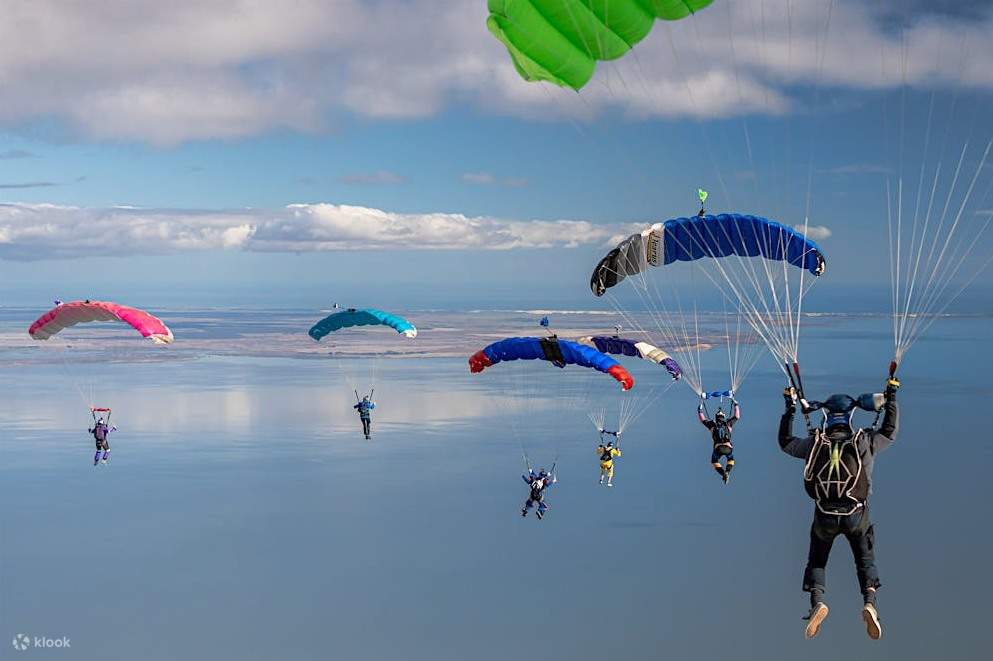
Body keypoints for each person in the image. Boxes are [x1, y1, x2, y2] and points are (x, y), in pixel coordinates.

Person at [779, 378, 900, 641]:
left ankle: (817, 603)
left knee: (817, 560)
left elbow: (785, 442)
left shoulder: (815, 443)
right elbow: (889, 431)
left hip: (824, 515)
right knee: (865, 559)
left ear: (827, 417)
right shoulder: (863, 441)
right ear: (850, 417)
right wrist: (891, 398)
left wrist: (790, 408)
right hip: (856, 514)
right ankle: (870, 603)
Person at [698, 398, 740, 484]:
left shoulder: (712, 425)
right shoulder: (728, 423)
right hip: (728, 447)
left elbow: (703, 420)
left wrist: (700, 409)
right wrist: (736, 404)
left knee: (714, 461)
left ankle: (723, 473)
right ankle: (727, 471)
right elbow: (737, 416)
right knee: (730, 459)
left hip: (718, 448)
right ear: (723, 417)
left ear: (716, 418)